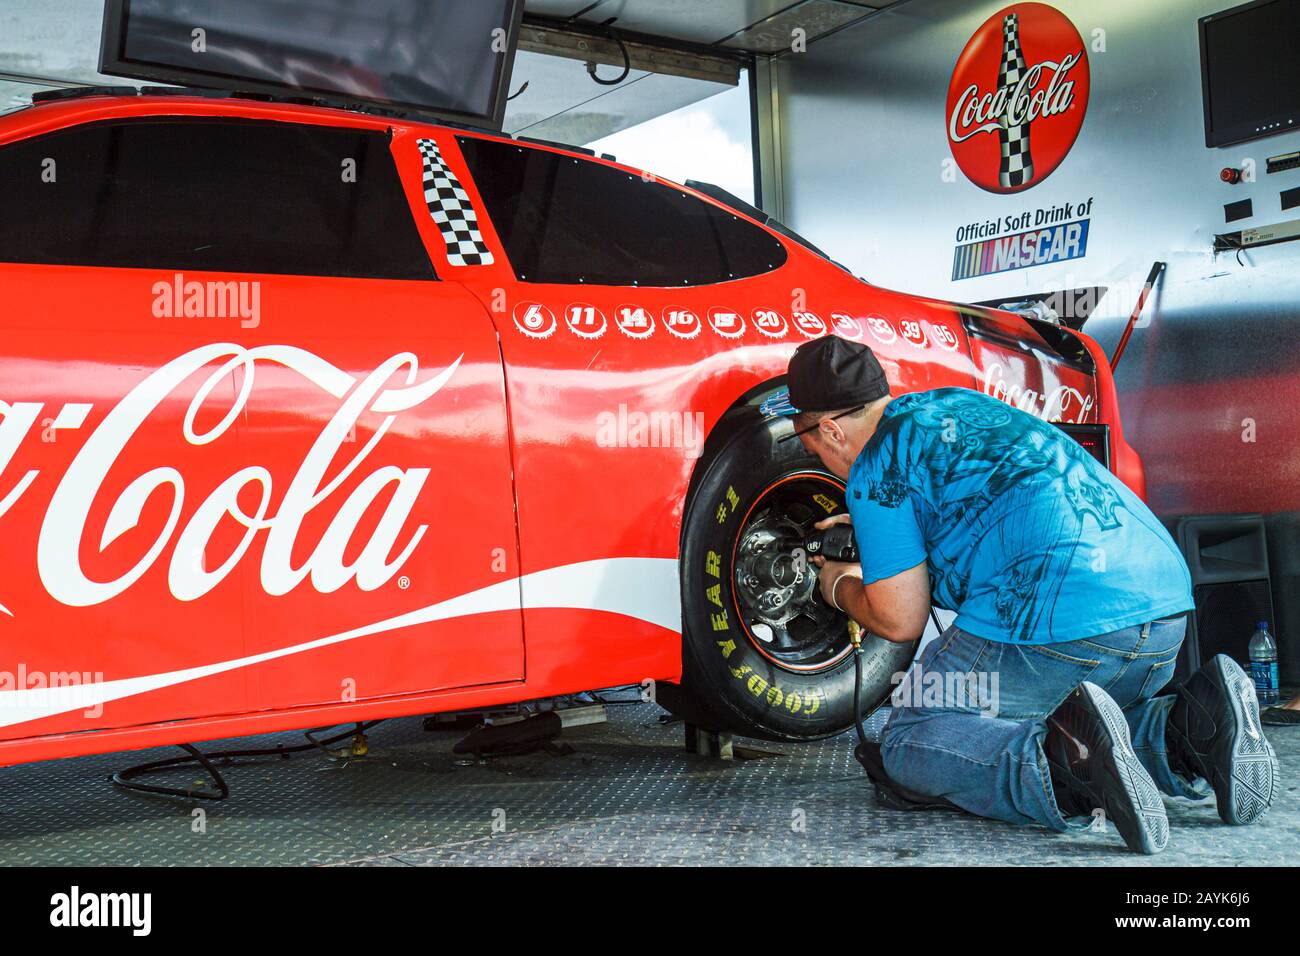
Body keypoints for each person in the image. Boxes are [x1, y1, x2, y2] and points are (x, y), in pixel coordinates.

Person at [774, 334, 1280, 853]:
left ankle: (1067, 771)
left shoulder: (875, 466)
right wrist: (877, 545)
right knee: (1079, 721)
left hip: (1063, 620)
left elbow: (900, 618)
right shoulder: (955, 404)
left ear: (830, 428)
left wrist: (837, 585)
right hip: (1161, 610)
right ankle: (1193, 730)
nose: (813, 452)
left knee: (912, 736)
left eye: (806, 440)